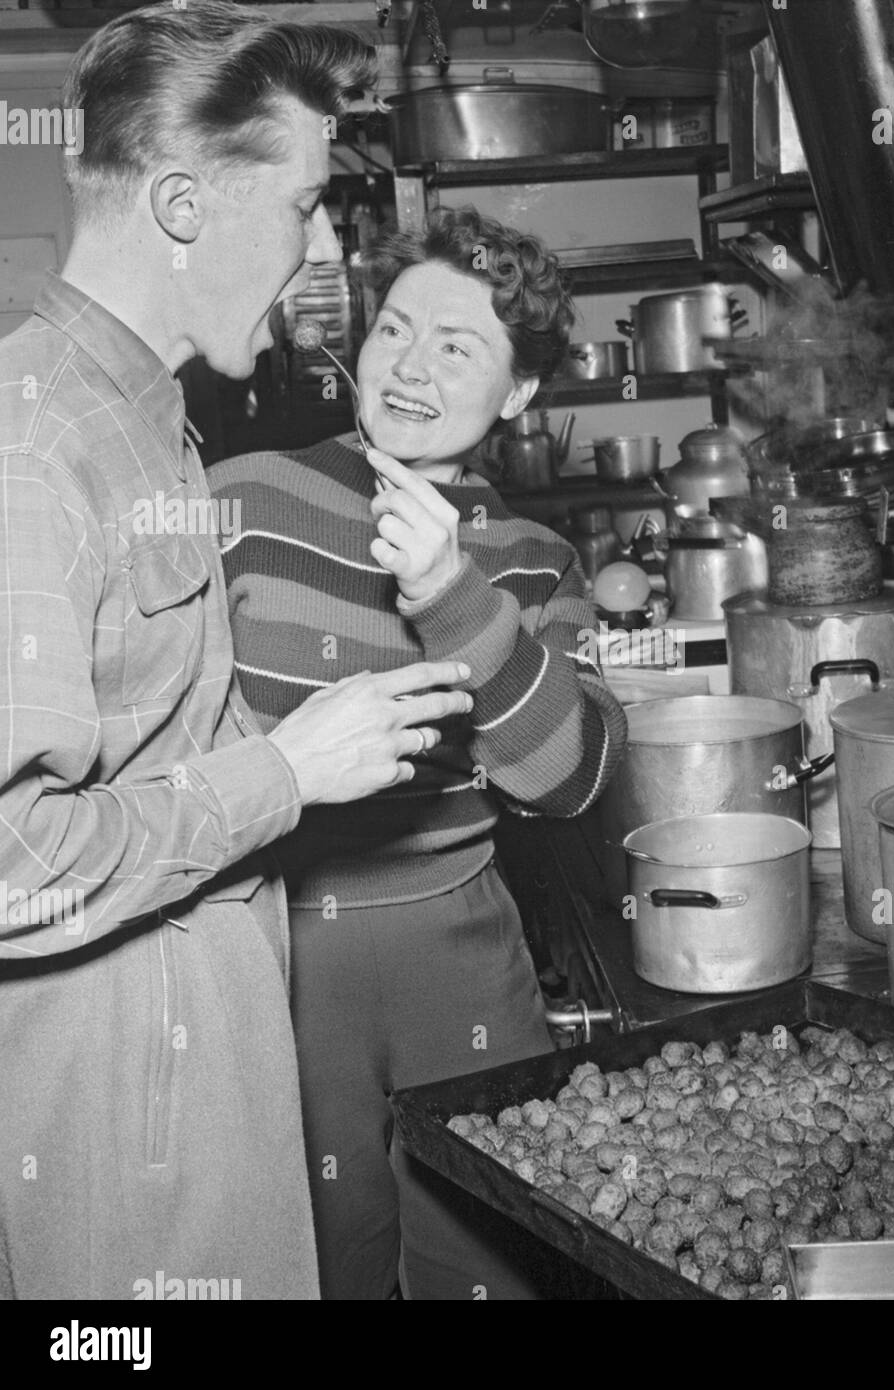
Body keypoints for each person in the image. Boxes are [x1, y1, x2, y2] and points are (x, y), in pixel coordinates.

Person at [0, 3, 473, 1301]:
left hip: (211, 1098)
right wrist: (284, 771)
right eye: (305, 206)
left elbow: (143, 741)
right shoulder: (34, 448)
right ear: (183, 207)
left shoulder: (148, 414)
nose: (325, 248)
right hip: (122, 1166)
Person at [209, 206, 629, 1299]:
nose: (410, 367)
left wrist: (450, 591)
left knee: (489, 1268)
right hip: (277, 961)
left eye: (460, 347)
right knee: (314, 1272)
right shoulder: (242, 501)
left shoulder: (536, 561)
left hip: (466, 964)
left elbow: (568, 778)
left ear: (522, 391)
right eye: (395, 329)